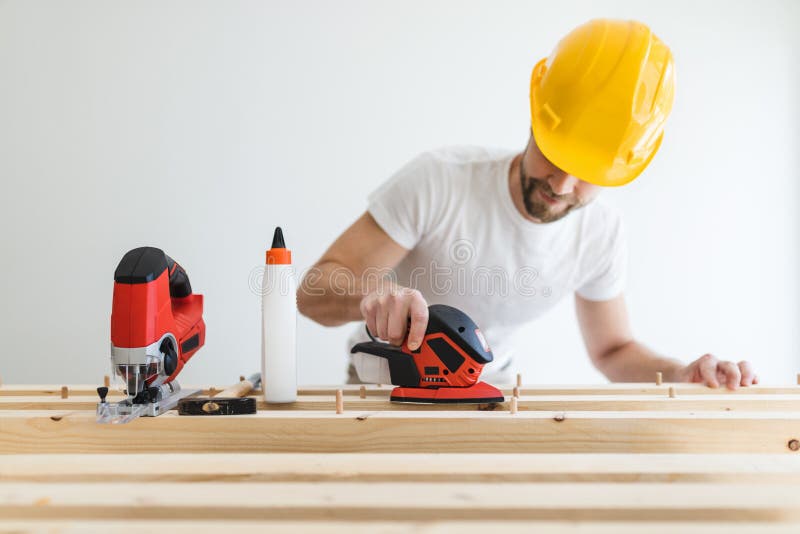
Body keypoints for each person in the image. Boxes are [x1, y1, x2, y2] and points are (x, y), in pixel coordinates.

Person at [297, 19, 757, 389]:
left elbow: (613, 350)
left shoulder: (600, 232)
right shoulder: (439, 181)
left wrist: (679, 374)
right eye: (554, 156)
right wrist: (371, 299)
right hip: (382, 393)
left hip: (489, 397)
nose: (561, 184)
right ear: (536, 118)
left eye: (589, 174)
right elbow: (311, 291)